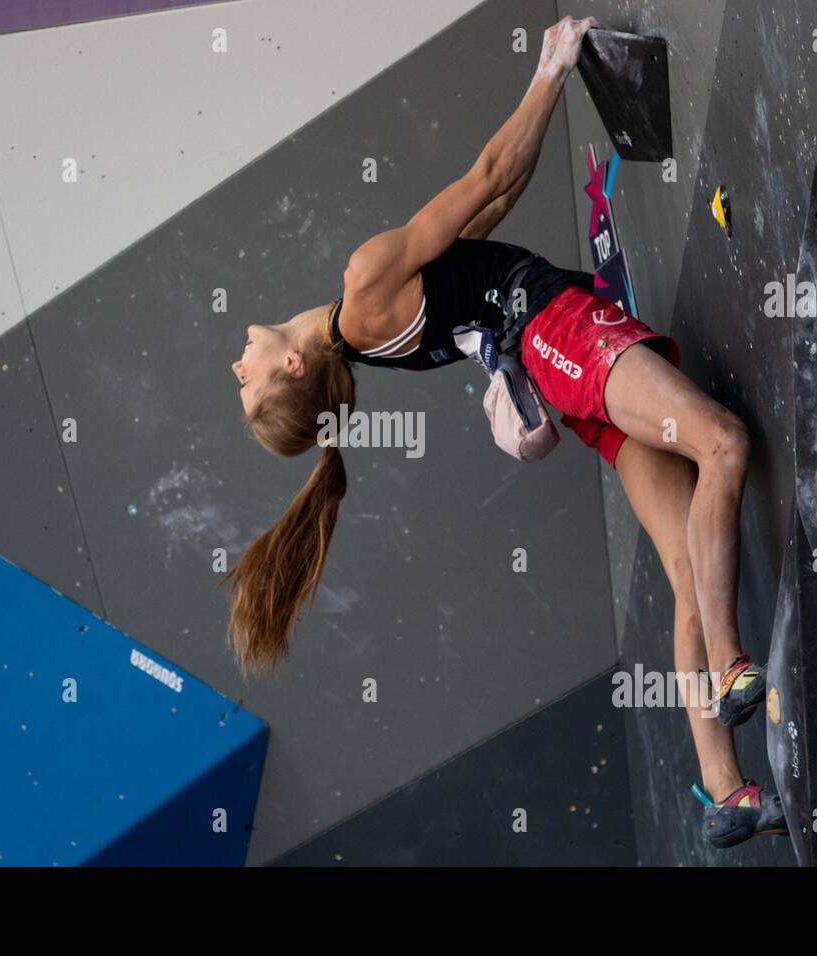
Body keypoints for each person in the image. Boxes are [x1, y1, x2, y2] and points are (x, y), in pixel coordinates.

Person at [228, 15, 783, 849]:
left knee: (683, 565)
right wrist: (551, 67)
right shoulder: (362, 287)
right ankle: (737, 665)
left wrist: (536, 116)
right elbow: (488, 171)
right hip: (563, 340)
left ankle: (722, 787)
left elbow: (490, 201)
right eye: (251, 384)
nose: (239, 365)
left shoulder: (377, 336)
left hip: (564, 379)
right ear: (296, 371)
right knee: (723, 444)